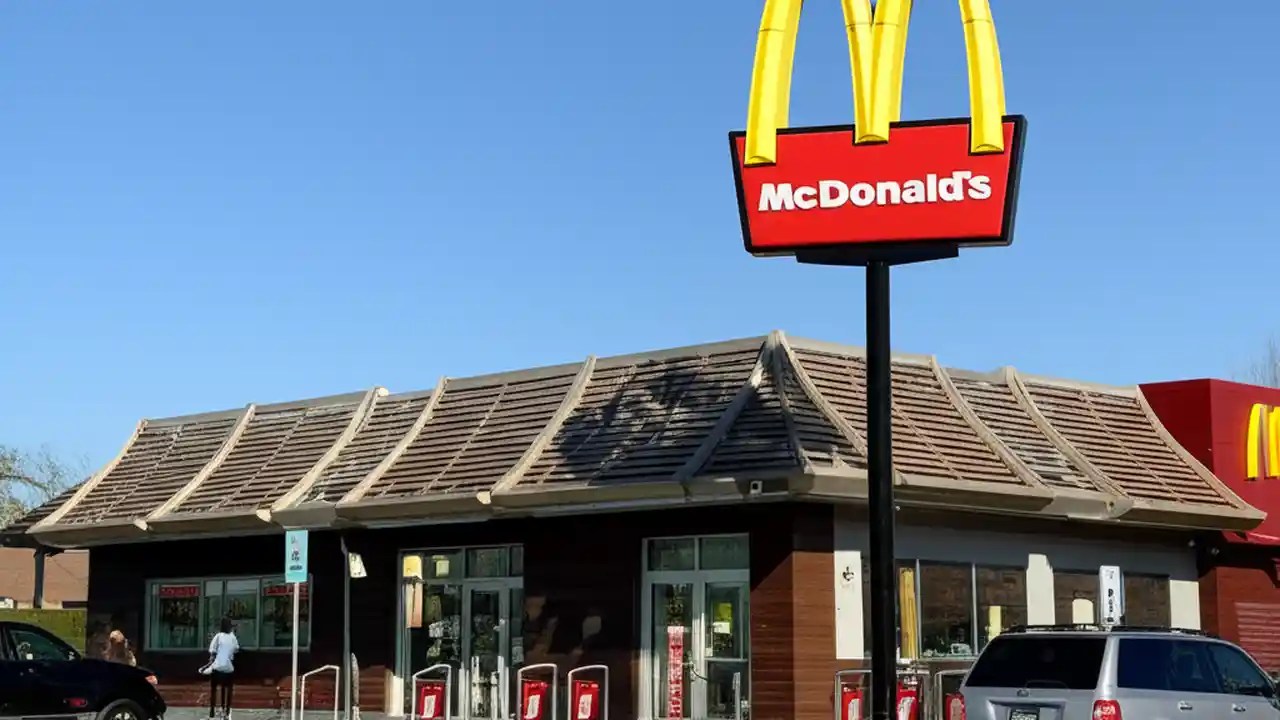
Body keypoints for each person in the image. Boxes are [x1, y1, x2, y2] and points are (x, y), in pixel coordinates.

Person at [207, 618, 239, 720]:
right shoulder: (232, 637)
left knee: (213, 688)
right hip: (228, 669)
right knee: (228, 687)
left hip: (217, 668)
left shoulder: (218, 636)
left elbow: (212, 650)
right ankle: (227, 709)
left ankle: (212, 710)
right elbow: (236, 649)